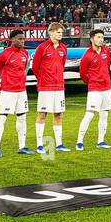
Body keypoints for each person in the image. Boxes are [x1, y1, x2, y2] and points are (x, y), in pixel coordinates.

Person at [0, 29, 33, 156]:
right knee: (2, 118)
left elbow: (25, 69)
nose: (22, 41)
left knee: (22, 118)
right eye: (20, 38)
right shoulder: (4, 54)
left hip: (21, 92)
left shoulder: (25, 53)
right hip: (7, 92)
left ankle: (22, 147)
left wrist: (22, 82)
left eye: (23, 38)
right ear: (12, 39)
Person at [32, 22, 70, 152]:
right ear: (51, 32)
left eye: (61, 32)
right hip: (45, 87)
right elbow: (35, 67)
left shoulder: (64, 48)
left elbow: (62, 65)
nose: (60, 34)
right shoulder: (42, 47)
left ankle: (59, 144)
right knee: (42, 114)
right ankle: (39, 145)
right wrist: (43, 79)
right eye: (58, 32)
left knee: (58, 114)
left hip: (59, 86)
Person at [76, 29, 111, 150]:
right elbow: (83, 73)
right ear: (92, 39)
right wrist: (92, 82)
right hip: (95, 89)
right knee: (89, 114)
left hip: (107, 89)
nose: (101, 40)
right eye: (98, 37)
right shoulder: (87, 55)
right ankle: (79, 142)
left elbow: (107, 65)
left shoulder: (106, 51)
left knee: (104, 115)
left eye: (102, 37)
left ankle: (101, 141)